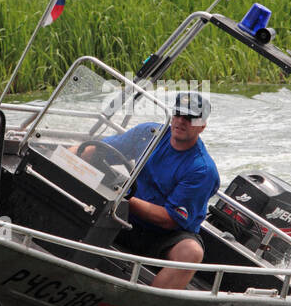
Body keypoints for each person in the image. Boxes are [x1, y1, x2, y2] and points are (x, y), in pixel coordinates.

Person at [84, 92, 219, 290]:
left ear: (202, 126)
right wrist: (68, 156)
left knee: (191, 252)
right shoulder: (148, 133)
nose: (181, 121)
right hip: (121, 211)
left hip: (161, 234)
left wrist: (122, 197)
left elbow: (169, 219)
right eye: (178, 114)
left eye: (190, 118)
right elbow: (97, 150)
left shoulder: (202, 170)